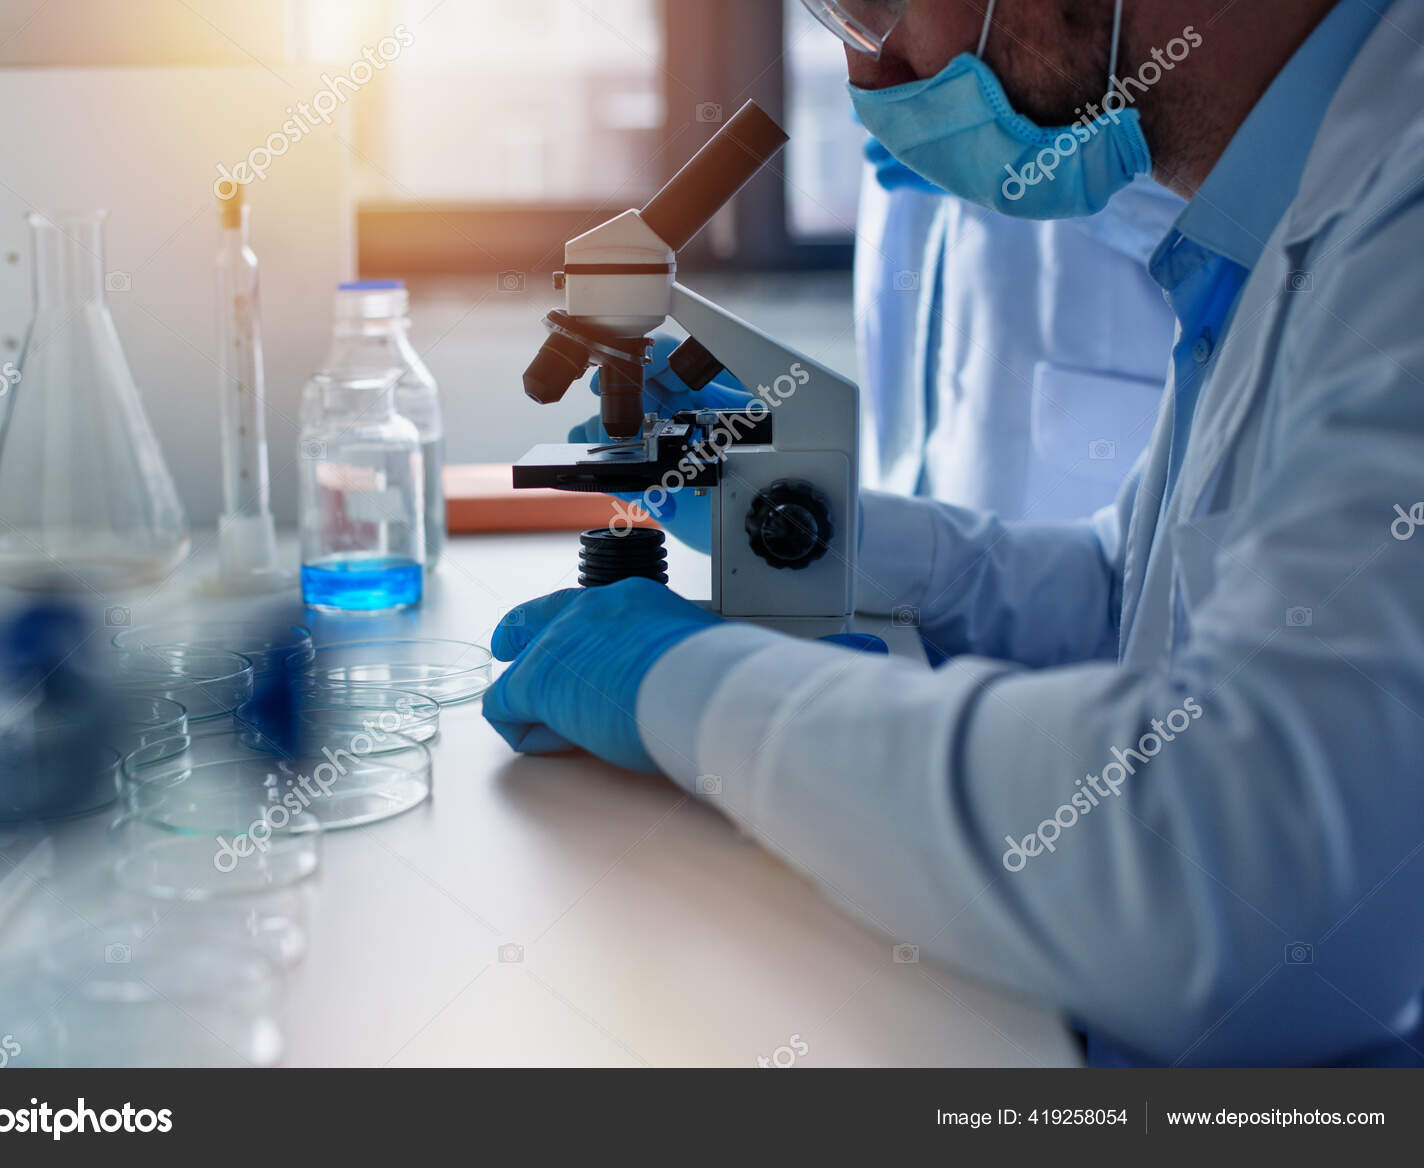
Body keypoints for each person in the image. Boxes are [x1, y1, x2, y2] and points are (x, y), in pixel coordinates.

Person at [485, 0, 1424, 1066]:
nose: (872, 75)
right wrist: (799, 522)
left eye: (871, 2)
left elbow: (1251, 879)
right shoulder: (1280, 220)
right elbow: (1127, 600)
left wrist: (687, 688)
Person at [856, 143, 1183, 519]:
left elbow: (1237, 216)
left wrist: (1053, 169)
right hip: (919, 469)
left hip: (1086, 486)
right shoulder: (896, 109)